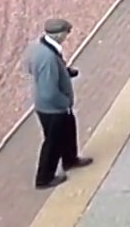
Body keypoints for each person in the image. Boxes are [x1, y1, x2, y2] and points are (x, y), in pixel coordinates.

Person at [24, 18, 93, 189]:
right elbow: (49, 91)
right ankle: (44, 178)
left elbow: (32, 67)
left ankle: (70, 159)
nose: (66, 37)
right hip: (53, 108)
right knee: (53, 141)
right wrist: (64, 102)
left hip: (50, 106)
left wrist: (64, 72)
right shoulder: (48, 58)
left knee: (68, 130)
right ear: (59, 34)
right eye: (65, 34)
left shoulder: (39, 48)